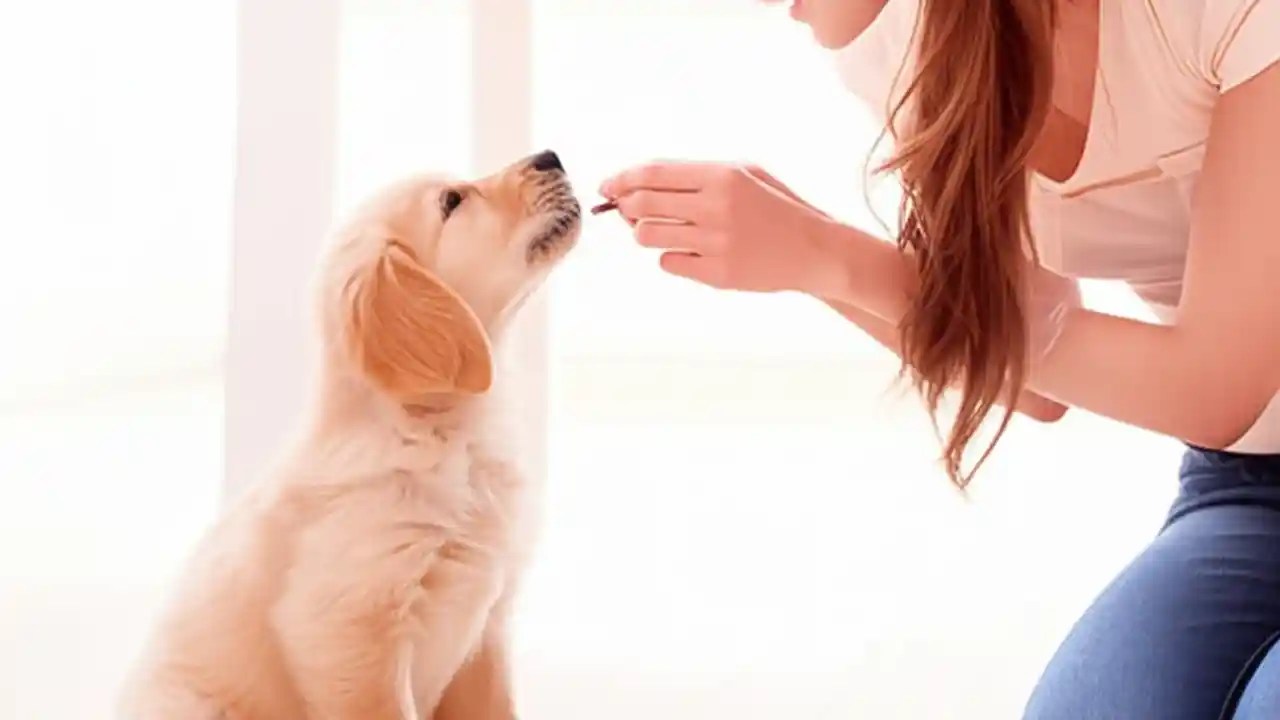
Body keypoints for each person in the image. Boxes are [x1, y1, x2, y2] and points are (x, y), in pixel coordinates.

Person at [598, 1, 1280, 717]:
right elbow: (1032, 376)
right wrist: (801, 254)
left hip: (1234, 433)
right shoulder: (880, 18)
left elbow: (1212, 386)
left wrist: (830, 256)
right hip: (1253, 481)